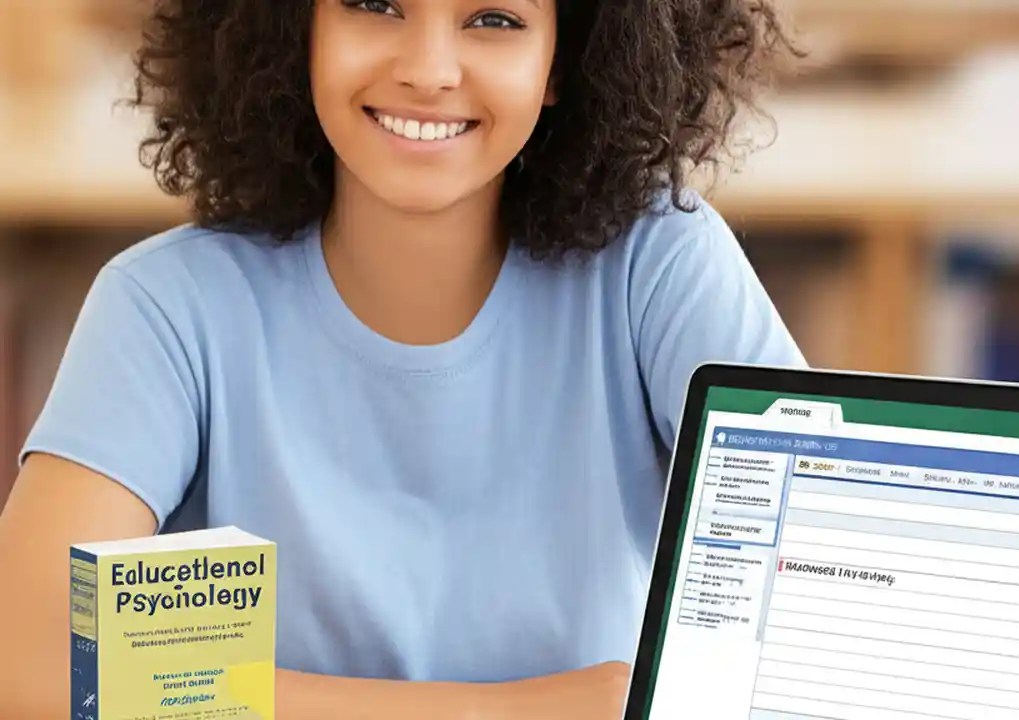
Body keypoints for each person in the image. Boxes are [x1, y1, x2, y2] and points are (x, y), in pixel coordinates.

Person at [0, 0, 805, 717]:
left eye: (495, 20)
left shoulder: (656, 266)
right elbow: (31, 661)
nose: (427, 70)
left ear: (562, 61)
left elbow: (819, 578)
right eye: (373, 4)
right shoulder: (167, 305)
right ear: (295, 29)